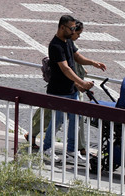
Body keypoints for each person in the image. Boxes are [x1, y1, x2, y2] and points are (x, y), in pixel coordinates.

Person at [42, 14, 94, 164]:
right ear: (62, 27)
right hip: (58, 90)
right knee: (57, 120)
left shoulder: (68, 41)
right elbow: (65, 69)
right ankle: (46, 149)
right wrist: (82, 83)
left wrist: (93, 63)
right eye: (71, 28)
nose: (73, 31)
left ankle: (71, 150)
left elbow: (77, 57)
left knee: (75, 119)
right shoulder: (55, 45)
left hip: (71, 90)